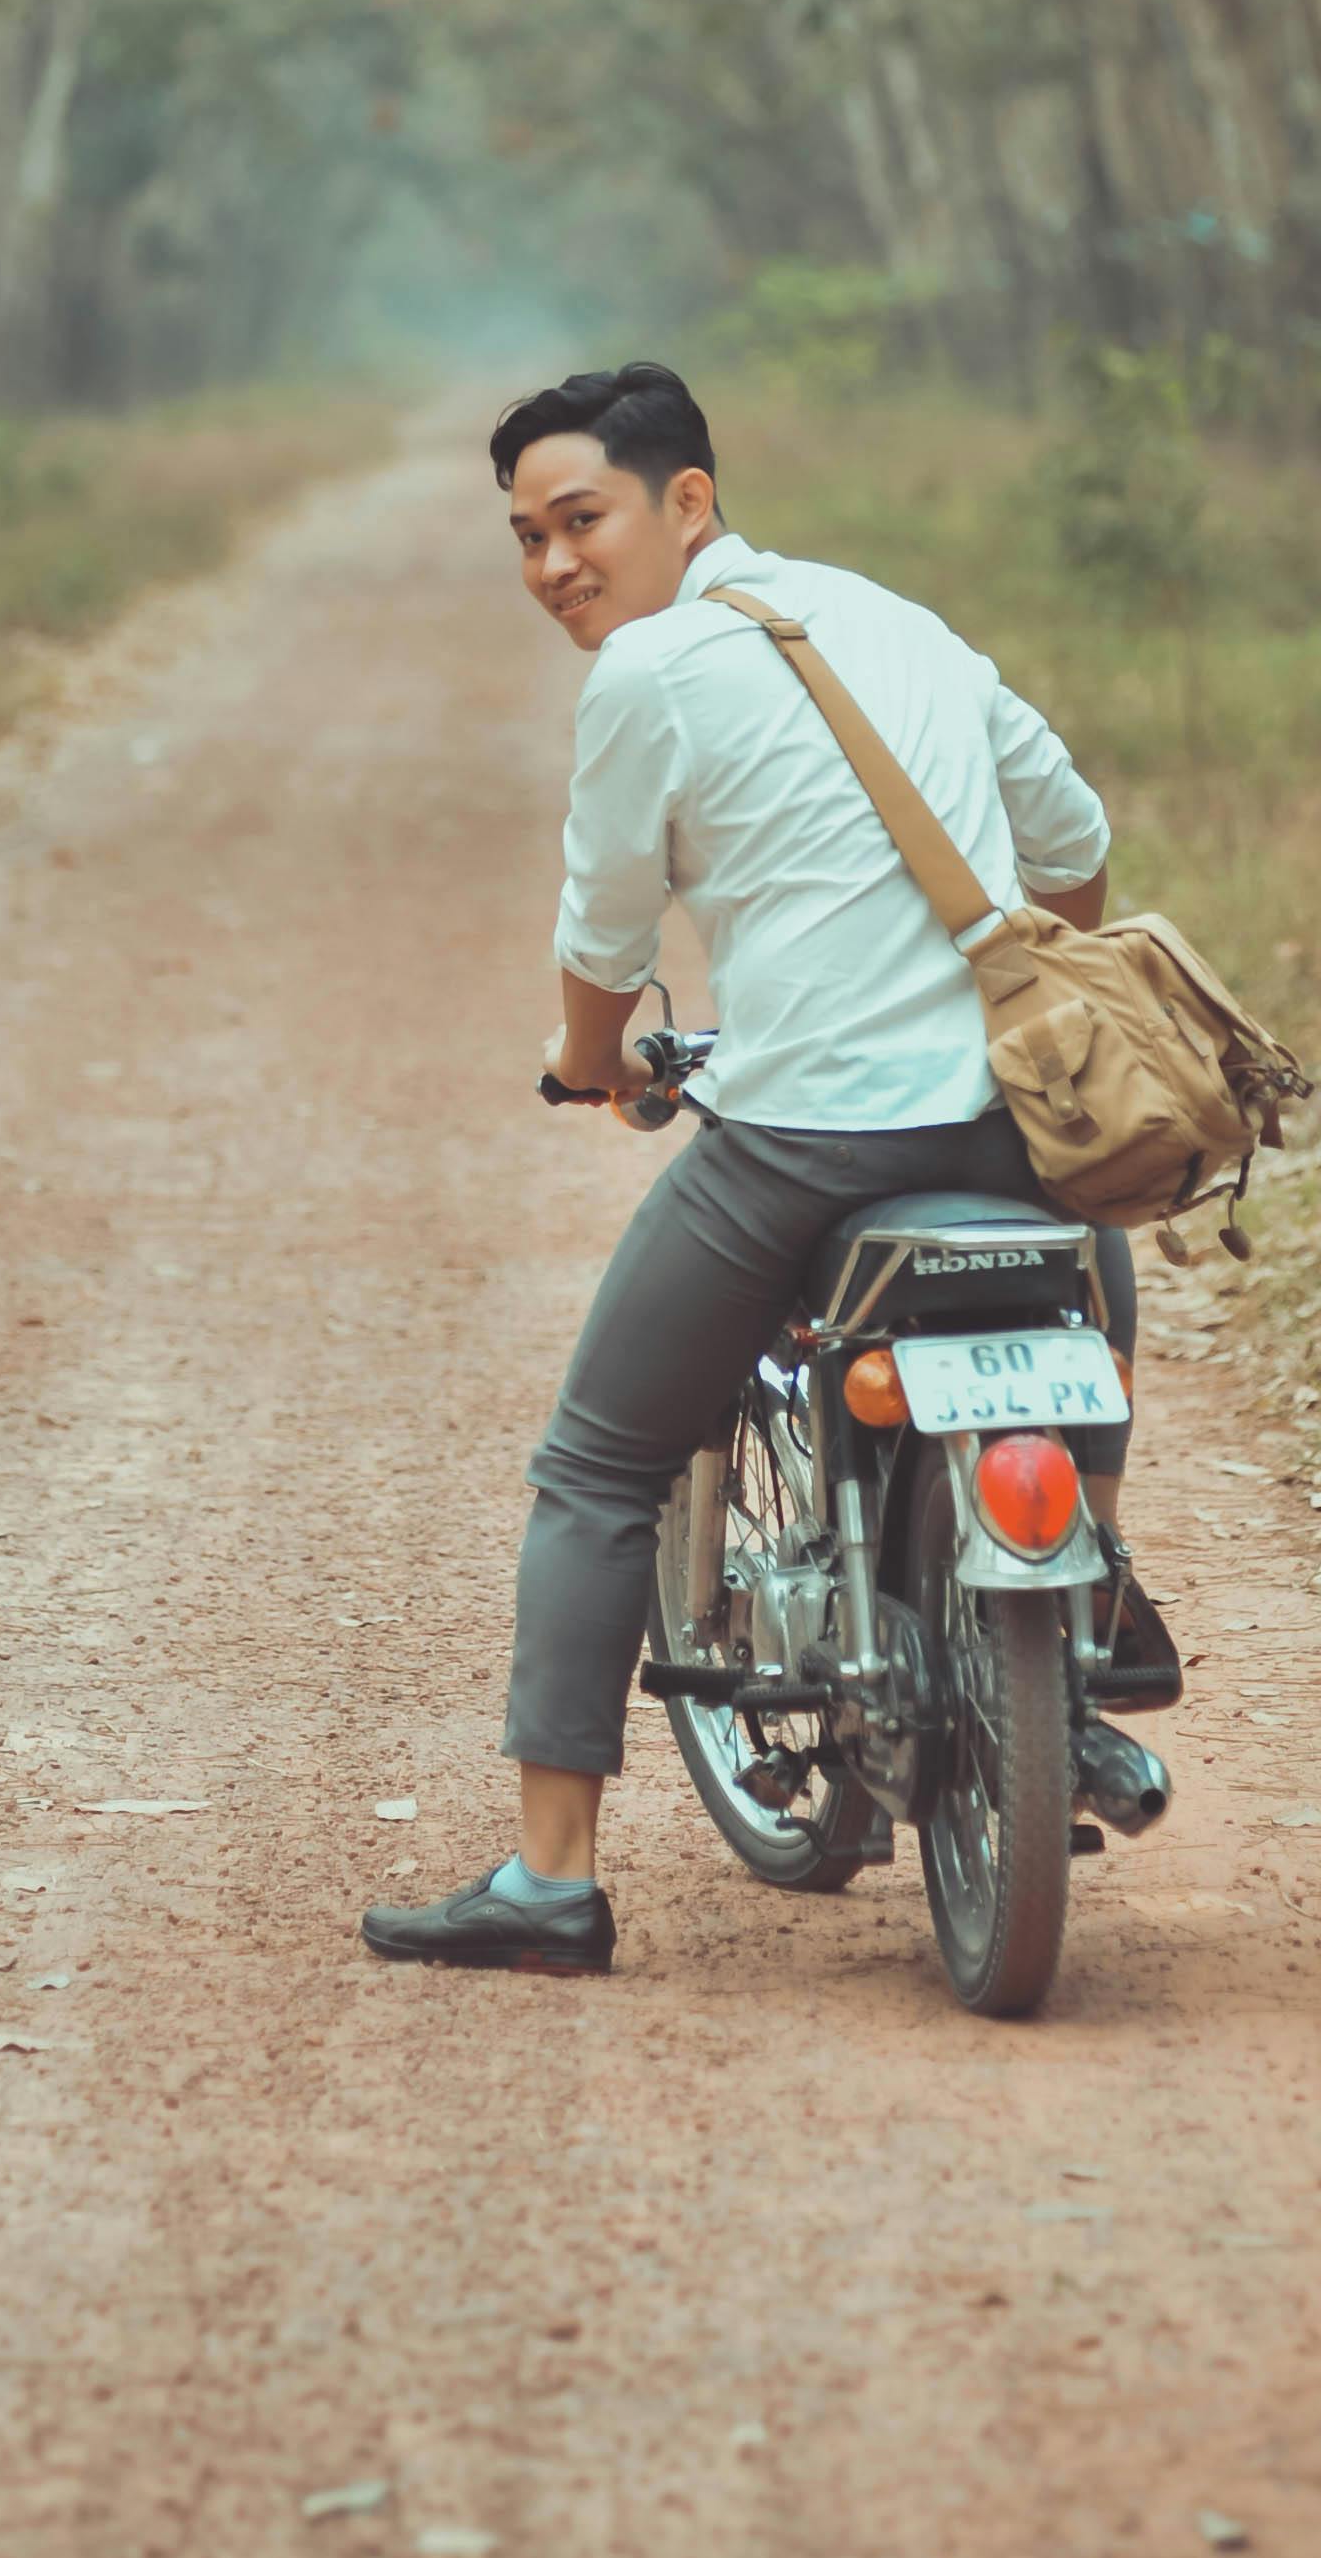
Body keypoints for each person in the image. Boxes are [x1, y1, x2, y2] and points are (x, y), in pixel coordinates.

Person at [361, 359, 1137, 1980]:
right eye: (523, 537)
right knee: (1085, 1317)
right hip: (1012, 1123)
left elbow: (604, 944)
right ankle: (1080, 1649)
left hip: (807, 1139)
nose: (554, 565)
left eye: (581, 520)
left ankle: (550, 1879)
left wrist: (596, 1065)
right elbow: (1068, 846)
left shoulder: (649, 676)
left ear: (686, 503)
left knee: (593, 1467)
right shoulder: (902, 623)